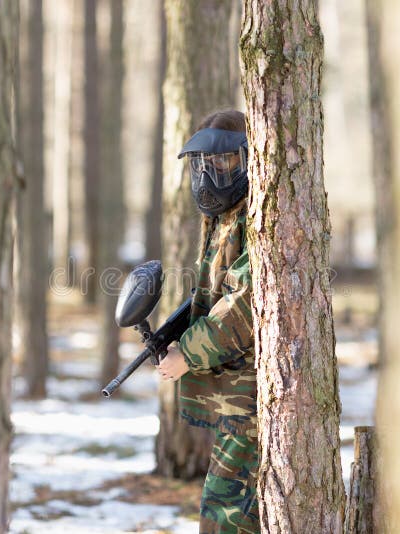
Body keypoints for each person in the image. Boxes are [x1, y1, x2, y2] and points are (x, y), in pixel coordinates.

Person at [157, 109, 259, 533]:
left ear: (247, 159)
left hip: (255, 397)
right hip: (239, 397)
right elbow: (216, 294)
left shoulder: (257, 216)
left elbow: (244, 304)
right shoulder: (224, 218)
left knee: (225, 518)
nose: (209, 173)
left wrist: (189, 354)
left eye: (221, 162)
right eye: (203, 164)